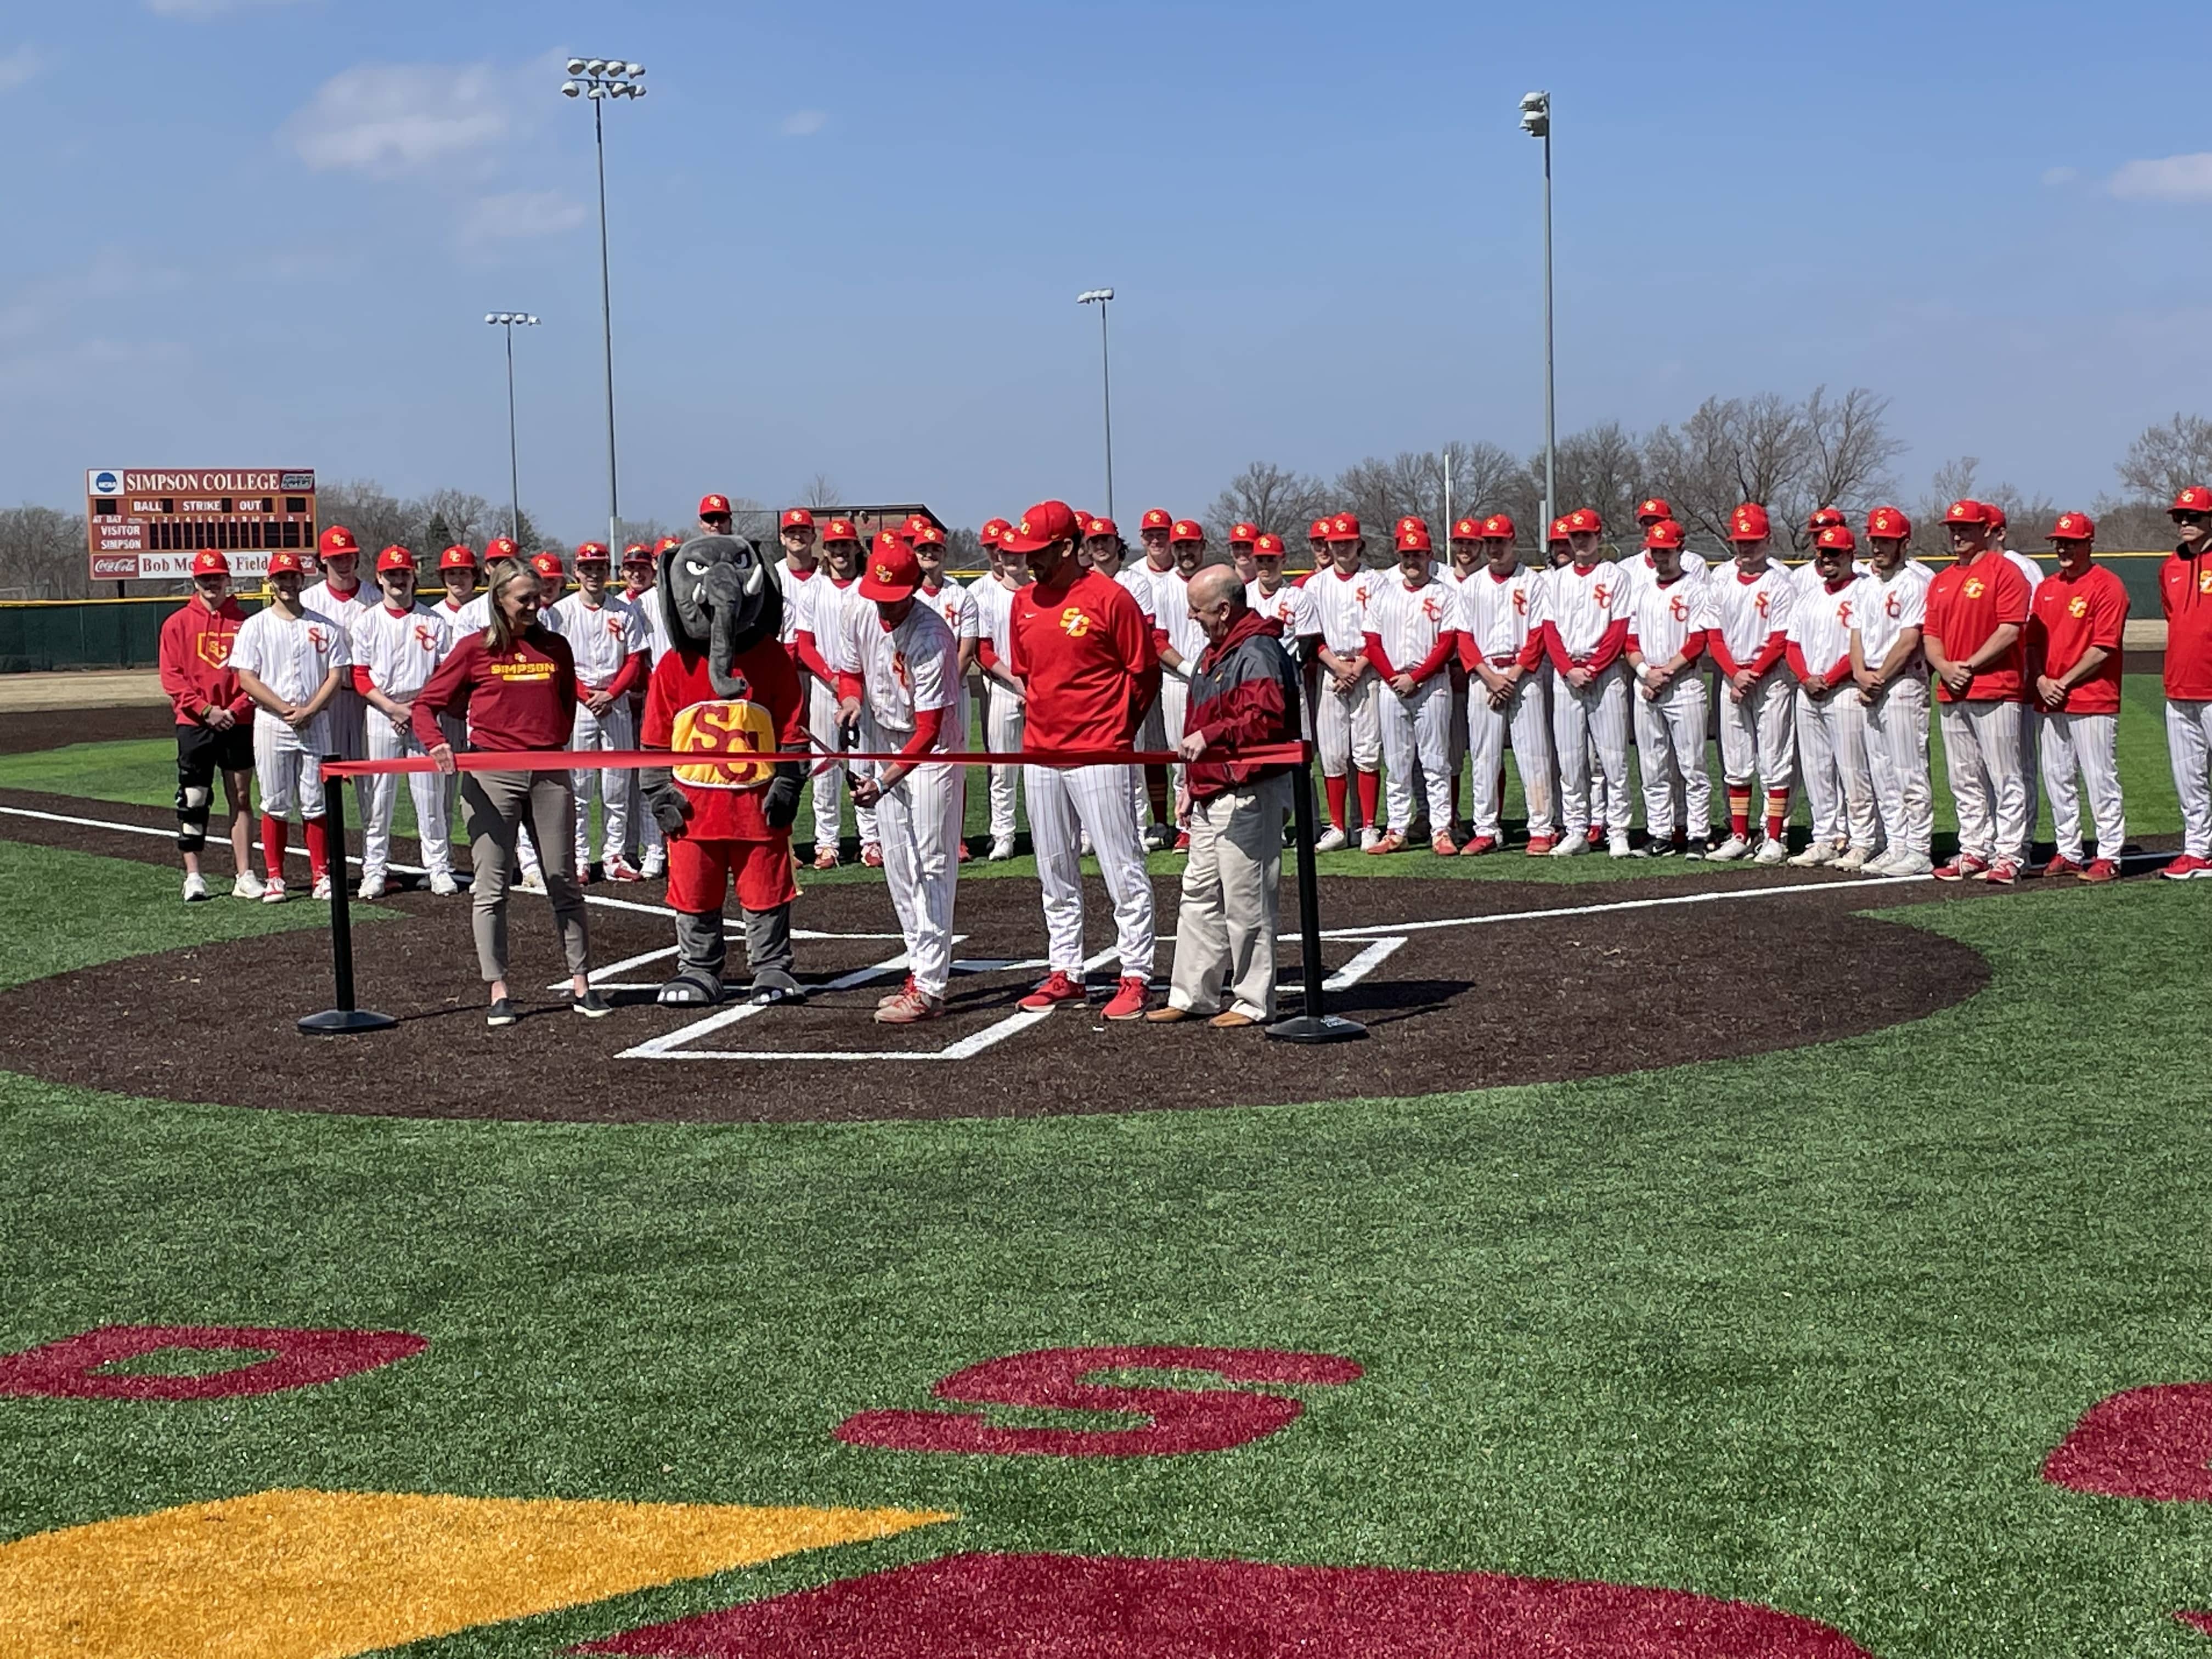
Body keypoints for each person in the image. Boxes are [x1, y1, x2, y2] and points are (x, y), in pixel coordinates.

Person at [413, 557, 604, 1025]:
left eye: (538, 597)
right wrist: (438, 744)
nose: (534, 606)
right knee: (492, 886)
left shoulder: (556, 646)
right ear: (499, 600)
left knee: (564, 880)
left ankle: (582, 982)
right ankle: (498, 989)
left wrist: (549, 746)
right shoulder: (473, 649)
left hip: (548, 772)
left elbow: (564, 706)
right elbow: (428, 704)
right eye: (524, 599)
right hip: (490, 775)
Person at [1005, 499, 1161, 1021]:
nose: (1029, 563)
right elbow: (1029, 673)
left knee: (1121, 866)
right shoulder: (1022, 601)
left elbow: (1143, 674)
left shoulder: (1110, 598)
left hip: (1099, 752)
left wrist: (1119, 731)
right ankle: (1066, 970)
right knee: (1054, 869)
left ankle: (1136, 972)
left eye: (1039, 553)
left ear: (1067, 547)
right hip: (1042, 752)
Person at [639, 533, 808, 1007]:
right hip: (694, 811)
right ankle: (698, 968)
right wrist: (658, 793)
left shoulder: (772, 660)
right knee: (694, 891)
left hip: (757, 806)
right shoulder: (673, 666)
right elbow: (654, 741)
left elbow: (793, 729)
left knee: (766, 889)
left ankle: (772, 965)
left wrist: (789, 784)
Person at [1146, 567, 1302, 1029]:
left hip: (1249, 790)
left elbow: (1266, 718)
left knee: (1246, 897)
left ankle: (1253, 1000)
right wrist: (1190, 787)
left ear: (1224, 609)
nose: (1191, 616)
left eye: (1198, 608)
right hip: (1215, 789)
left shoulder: (1257, 650)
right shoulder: (1215, 653)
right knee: (1198, 894)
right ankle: (1194, 993)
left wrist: (1212, 738)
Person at [839, 537, 964, 1023]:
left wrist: (886, 779)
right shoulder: (858, 612)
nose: (885, 607)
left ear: (913, 590)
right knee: (898, 863)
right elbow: (851, 674)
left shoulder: (931, 636)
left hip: (931, 751)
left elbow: (929, 730)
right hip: (884, 736)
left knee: (932, 862)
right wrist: (850, 700)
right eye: (879, 596)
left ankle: (930, 985)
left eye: (894, 598)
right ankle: (919, 967)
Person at [229, 548, 348, 903]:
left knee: (315, 802)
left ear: (302, 579)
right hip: (271, 721)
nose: (288, 583)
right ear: (271, 581)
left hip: (315, 720)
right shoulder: (255, 626)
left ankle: (320, 875)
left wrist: (310, 708)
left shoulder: (324, 625)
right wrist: (284, 708)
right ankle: (276, 877)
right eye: (281, 577)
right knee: (275, 801)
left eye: (293, 576)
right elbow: (246, 678)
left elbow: (336, 675)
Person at [1925, 498, 2034, 883]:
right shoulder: (1941, 580)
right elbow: (1931, 635)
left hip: (1996, 687)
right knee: (1964, 776)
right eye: (1953, 528)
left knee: (2005, 775)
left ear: (1986, 530)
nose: (1957, 534)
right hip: (1953, 690)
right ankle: (1974, 848)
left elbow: (2010, 629)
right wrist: (1944, 667)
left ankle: (2010, 854)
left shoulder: (2006, 572)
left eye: (1966, 528)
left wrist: (1969, 665)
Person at [348, 545, 457, 898]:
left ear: (414, 576)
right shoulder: (367, 620)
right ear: (379, 578)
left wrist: (418, 707)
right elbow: (361, 677)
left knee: (430, 796)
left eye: (404, 573)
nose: (398, 579)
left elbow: (443, 674)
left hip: (423, 711)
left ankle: (438, 867)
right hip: (381, 713)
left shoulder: (434, 620)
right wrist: (393, 709)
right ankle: (375, 869)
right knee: (379, 798)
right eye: (391, 574)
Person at [2028, 512, 2129, 882]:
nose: (2063, 549)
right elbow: (2033, 642)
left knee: (2099, 777)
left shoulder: (2108, 585)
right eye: (2059, 542)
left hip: (2093, 697)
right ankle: (2068, 850)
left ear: (2089, 543)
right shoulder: (2048, 587)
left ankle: (2109, 854)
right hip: (2051, 697)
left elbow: (2103, 647)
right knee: (2057, 777)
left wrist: (2062, 681)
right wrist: (2040, 679)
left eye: (2071, 542)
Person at [157, 549, 262, 901]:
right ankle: (193, 876)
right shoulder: (177, 623)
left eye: (217, 577)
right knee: (194, 798)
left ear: (227, 579)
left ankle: (244, 874)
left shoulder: (246, 623)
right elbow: (172, 678)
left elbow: (256, 675)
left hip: (238, 719)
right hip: (195, 723)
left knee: (242, 797)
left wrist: (233, 708)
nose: (211, 583)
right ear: (195, 581)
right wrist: (205, 710)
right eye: (205, 578)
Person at [1454, 515, 1555, 855]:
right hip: (1485, 677)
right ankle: (1485, 829)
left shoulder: (1534, 582)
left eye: (1501, 541)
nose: (1495, 548)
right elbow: (1464, 639)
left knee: (1533, 753)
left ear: (1513, 542)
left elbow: (1539, 634)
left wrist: (1511, 676)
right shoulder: (1471, 586)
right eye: (1490, 542)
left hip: (1523, 677)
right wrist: (1490, 676)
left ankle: (1541, 828)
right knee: (1484, 756)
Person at [551, 541, 651, 882]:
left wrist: (610, 693)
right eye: (587, 568)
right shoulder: (561, 612)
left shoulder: (624, 611)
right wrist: (585, 694)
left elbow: (635, 660)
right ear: (576, 572)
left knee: (617, 788)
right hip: (579, 706)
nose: (593, 574)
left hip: (616, 703)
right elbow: (558, 663)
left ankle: (613, 856)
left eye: (599, 568)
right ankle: (579, 858)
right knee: (579, 789)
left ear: (607, 573)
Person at [1706, 503, 1797, 865]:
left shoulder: (1779, 583)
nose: (1746, 549)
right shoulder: (1722, 582)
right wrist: (1734, 673)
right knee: (1737, 759)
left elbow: (1780, 639)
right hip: (1733, 676)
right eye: (1740, 542)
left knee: (1774, 758)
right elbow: (1714, 636)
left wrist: (1752, 673)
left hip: (1769, 677)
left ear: (1767, 540)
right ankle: (1740, 834)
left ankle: (1774, 836)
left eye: (1753, 542)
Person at [1362, 521, 1460, 855]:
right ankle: (1396, 829)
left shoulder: (1445, 593)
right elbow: (1372, 642)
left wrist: (1415, 678)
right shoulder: (1384, 593)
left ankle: (1441, 829)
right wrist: (1393, 677)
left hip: (1431, 684)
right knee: (1398, 762)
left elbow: (1447, 644)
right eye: (1407, 555)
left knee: (1436, 762)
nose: (1412, 560)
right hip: (1393, 685)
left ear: (1430, 555)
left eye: (1418, 554)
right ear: (1399, 556)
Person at [1541, 507, 1634, 858]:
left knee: (1612, 758)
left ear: (1599, 537)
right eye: (1575, 536)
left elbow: (1618, 628)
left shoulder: (1615, 576)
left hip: (1604, 673)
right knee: (1570, 758)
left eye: (1587, 535)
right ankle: (1576, 828)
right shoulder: (1556, 580)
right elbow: (1550, 631)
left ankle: (1619, 829)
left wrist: (1592, 668)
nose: (1581, 541)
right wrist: (1568, 669)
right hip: (1567, 675)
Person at [1785, 525, 1880, 870]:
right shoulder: (1809, 596)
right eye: (1823, 553)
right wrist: (1806, 678)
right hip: (1809, 692)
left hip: (1846, 690)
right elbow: (1792, 645)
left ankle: (1862, 839)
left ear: (1851, 555)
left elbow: (1864, 645)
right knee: (1816, 769)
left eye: (1835, 553)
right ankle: (1826, 836)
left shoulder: (1865, 591)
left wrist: (1830, 677)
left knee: (1854, 769)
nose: (1827, 559)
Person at [1848, 508, 1935, 876]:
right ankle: (1896, 842)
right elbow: (1855, 633)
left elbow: (1910, 638)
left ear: (1903, 543)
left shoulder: (1914, 582)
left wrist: (1878, 677)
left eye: (1887, 541)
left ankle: (1919, 847)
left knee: (1909, 769)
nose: (1879, 547)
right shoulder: (1865, 583)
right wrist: (1859, 673)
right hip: (1870, 682)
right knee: (1882, 770)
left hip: (1901, 684)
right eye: (1875, 540)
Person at [1621, 518, 1713, 859]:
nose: (1660, 557)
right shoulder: (1642, 590)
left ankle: (1698, 833)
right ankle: (1659, 832)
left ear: (1680, 550)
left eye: (1666, 551)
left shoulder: (1696, 589)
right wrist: (1646, 672)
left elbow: (1698, 640)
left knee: (1692, 766)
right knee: (1652, 765)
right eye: (1655, 551)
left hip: (1684, 683)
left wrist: (1665, 674)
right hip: (1647, 685)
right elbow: (1630, 640)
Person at [796, 518, 877, 869]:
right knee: (825, 766)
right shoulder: (813, 589)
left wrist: (851, 685)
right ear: (824, 550)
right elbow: (804, 645)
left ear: (856, 548)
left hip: (862, 689)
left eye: (846, 544)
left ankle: (871, 839)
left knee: (864, 763)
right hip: (825, 686)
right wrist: (832, 679)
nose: (840, 551)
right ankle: (827, 842)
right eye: (833, 546)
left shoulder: (868, 586)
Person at [1307, 512, 1383, 850]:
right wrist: (1336, 665)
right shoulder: (1315, 584)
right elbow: (1311, 636)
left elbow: (1381, 633)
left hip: (1367, 670)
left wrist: (1358, 666)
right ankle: (1337, 827)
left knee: (1367, 751)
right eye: (1336, 543)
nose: (1342, 548)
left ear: (1358, 543)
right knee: (1334, 753)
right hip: (1331, 668)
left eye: (1348, 542)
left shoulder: (1377, 581)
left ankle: (1367, 826)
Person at [912, 522, 980, 861]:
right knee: (912, 763)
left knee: (956, 766)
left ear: (944, 553)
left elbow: (967, 650)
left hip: (956, 692)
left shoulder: (961, 595)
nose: (929, 554)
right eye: (923, 549)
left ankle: (957, 837)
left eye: (935, 549)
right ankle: (915, 835)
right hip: (910, 694)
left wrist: (945, 689)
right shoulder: (907, 595)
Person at [2161, 484, 2212, 879]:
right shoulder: (2170, 567)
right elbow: (2173, 619)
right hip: (2179, 688)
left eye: (2193, 516)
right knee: (2188, 776)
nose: (2185, 523)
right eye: (2180, 516)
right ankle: (2198, 849)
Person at [969, 520, 1028, 859]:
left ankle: (1050, 830)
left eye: (1016, 552)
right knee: (1003, 766)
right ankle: (1003, 833)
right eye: (1003, 552)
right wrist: (1017, 681)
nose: (1009, 558)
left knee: (1045, 766)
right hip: (1004, 687)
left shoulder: (1039, 590)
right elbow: (984, 650)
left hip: (1040, 688)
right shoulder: (982, 592)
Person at [301, 524, 371, 778]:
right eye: (336, 557)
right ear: (324, 559)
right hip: (324, 700)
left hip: (367, 698)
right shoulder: (308, 601)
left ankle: (371, 821)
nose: (344, 563)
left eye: (348, 556)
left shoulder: (374, 598)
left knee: (370, 776)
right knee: (322, 775)